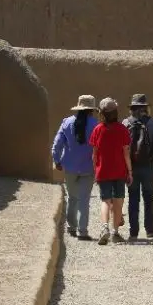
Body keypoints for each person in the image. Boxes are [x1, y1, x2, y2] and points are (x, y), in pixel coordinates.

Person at [123, 93, 153, 240]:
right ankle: (149, 230)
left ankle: (133, 232)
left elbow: (123, 148)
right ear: (145, 108)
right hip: (149, 166)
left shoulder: (125, 123)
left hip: (131, 167)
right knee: (149, 197)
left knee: (133, 198)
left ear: (132, 108)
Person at [51, 94, 98, 240]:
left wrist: (57, 160)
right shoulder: (96, 125)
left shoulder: (66, 122)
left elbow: (57, 145)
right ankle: (82, 231)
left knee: (72, 197)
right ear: (92, 109)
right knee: (84, 199)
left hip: (70, 166)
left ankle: (71, 227)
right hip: (88, 167)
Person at [89, 97, 133, 245]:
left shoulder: (97, 130)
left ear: (102, 113)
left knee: (105, 201)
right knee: (118, 200)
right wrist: (130, 172)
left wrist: (96, 170)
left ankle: (104, 228)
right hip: (120, 171)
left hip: (103, 171)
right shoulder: (122, 129)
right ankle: (115, 233)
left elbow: (94, 154)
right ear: (116, 112)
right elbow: (126, 153)